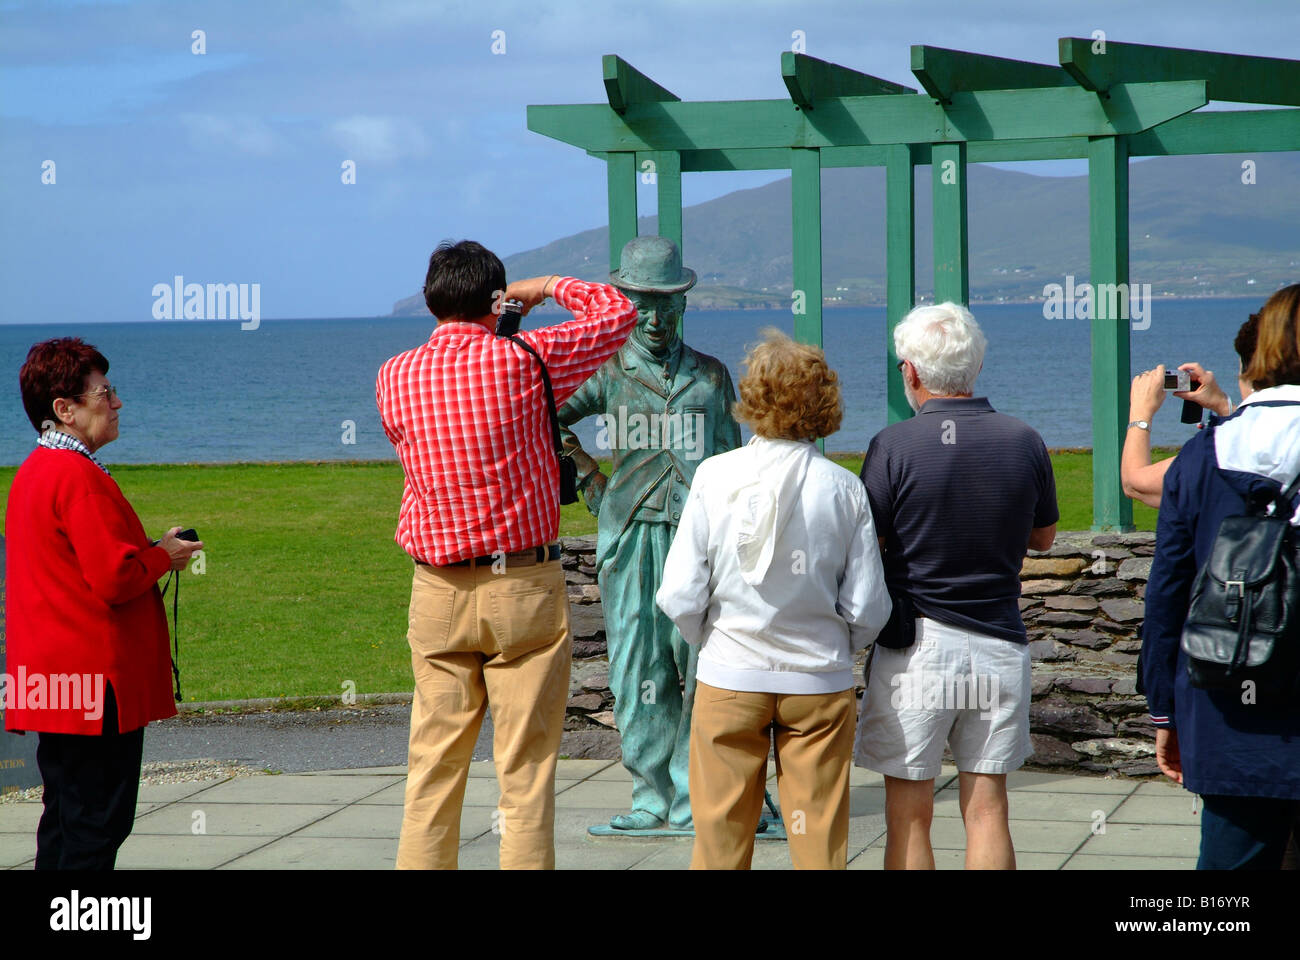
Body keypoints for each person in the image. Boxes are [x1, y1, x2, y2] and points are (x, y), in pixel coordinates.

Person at [377, 240, 636, 869]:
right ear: (495, 299)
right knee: (525, 771)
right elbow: (616, 313)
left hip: (438, 586)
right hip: (523, 583)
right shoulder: (529, 360)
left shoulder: (394, 375)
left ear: (431, 298)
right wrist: (545, 285)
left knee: (433, 765)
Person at [656, 329, 891, 869]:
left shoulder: (714, 476)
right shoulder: (843, 488)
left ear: (752, 396)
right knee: (818, 843)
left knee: (719, 840)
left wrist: (715, 642)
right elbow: (867, 609)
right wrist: (832, 645)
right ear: (823, 401)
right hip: (818, 684)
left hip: (729, 678)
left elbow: (680, 593)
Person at [854, 302, 1058, 870]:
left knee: (909, 815)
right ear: (976, 365)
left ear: (912, 372)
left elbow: (867, 543)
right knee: (989, 809)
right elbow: (1043, 538)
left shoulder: (892, 446)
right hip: (998, 641)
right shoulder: (1026, 440)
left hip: (917, 646)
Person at [557, 235, 741, 832]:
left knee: (702, 666)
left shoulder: (712, 378)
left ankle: (699, 794)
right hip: (631, 534)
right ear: (624, 301)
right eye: (641, 302)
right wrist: (589, 476)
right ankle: (651, 794)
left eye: (665, 303)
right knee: (637, 664)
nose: (654, 317)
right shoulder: (609, 375)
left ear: (683, 305)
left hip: (698, 538)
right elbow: (548, 416)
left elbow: (735, 460)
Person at [5, 338, 203, 869]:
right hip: (95, 683)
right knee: (98, 823)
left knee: (65, 817)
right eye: (105, 393)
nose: (116, 403)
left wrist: (152, 553)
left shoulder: (33, 473)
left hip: (53, 681)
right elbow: (112, 578)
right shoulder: (78, 477)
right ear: (63, 409)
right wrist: (162, 555)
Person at [1141, 284, 1300, 869]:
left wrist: (1164, 708)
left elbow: (1169, 592)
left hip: (1230, 699)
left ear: (1252, 362)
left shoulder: (1201, 458)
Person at [1122, 315, 1258, 508]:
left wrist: (1140, 413)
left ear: (1247, 373)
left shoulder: (1218, 452)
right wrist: (1223, 405)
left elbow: (1134, 485)